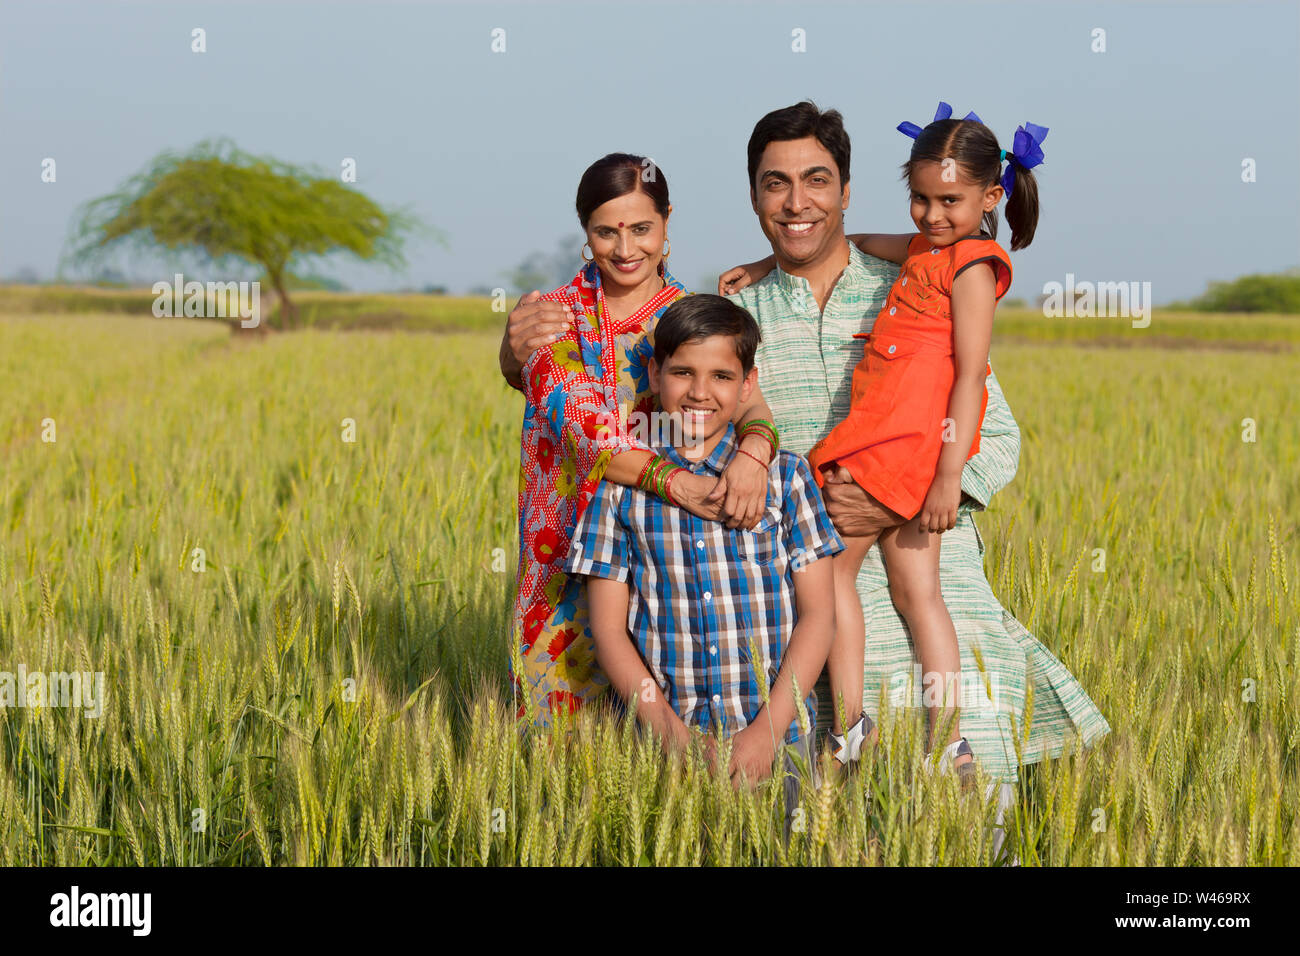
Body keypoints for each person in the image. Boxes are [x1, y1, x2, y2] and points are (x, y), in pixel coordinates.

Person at [719, 101, 1109, 856]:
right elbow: (691, 436)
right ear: (754, 195)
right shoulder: (732, 312)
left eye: (816, 181)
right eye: (776, 185)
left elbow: (993, 435)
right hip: (801, 642)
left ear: (847, 189)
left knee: (966, 843)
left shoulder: (918, 279)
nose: (797, 203)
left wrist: (907, 494)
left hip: (943, 618)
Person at [500, 153, 786, 725]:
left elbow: (749, 397)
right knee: (562, 766)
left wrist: (755, 453)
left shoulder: (693, 315)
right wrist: (681, 485)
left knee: (666, 749)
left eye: (640, 228)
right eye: (606, 231)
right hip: (562, 569)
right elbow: (584, 430)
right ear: (586, 233)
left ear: (667, 223)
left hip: (668, 561)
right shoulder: (551, 316)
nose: (625, 248)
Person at [564, 294, 841, 816]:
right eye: (683, 372)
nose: (699, 392)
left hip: (782, 741)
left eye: (721, 376)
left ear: (748, 385)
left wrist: (766, 732)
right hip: (663, 746)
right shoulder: (621, 489)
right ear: (654, 372)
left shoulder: (786, 478)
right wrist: (673, 738)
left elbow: (819, 616)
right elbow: (609, 631)